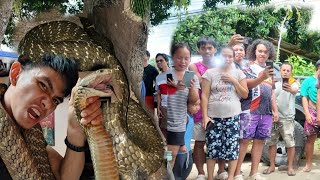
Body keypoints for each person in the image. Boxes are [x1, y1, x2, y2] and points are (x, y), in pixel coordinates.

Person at [0, 53, 102, 179]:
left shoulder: (35, 136)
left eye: (56, 101)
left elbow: (65, 177)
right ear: (16, 74)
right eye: (43, 85)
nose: (48, 104)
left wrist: (75, 132)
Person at [202, 46, 248, 180]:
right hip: (213, 117)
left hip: (232, 117)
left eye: (230, 56)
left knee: (232, 148)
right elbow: (204, 95)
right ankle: (210, 177)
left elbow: (244, 94)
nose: (227, 59)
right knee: (212, 149)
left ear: (233, 58)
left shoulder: (239, 73)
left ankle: (231, 177)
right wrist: (205, 116)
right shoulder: (210, 73)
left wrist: (233, 81)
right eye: (224, 56)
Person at [234, 39, 278, 180]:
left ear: (269, 53)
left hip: (266, 112)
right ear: (254, 51)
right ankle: (236, 172)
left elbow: (271, 92)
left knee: (259, 141)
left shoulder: (269, 70)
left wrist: (275, 110)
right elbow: (246, 85)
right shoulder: (247, 67)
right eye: (260, 51)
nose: (263, 54)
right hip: (249, 110)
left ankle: (254, 173)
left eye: (265, 52)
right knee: (244, 141)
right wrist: (261, 77)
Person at [165, 42, 200, 170]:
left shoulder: (191, 77)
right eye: (179, 57)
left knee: (171, 154)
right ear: (173, 57)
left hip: (178, 123)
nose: (183, 61)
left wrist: (191, 88)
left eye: (186, 58)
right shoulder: (166, 75)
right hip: (164, 123)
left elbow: (193, 103)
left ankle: (168, 175)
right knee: (167, 153)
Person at [188, 36, 218, 180]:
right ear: (199, 50)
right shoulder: (193, 66)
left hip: (218, 110)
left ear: (215, 49)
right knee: (200, 143)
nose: (207, 51)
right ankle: (201, 172)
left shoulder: (220, 65)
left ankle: (221, 170)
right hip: (200, 111)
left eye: (210, 48)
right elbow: (201, 80)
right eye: (203, 48)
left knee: (218, 142)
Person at [264, 62, 299, 176]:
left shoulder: (294, 83)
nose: (285, 72)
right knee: (272, 142)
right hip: (274, 118)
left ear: (291, 72)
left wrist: (290, 89)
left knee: (290, 143)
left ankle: (290, 167)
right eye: (283, 70)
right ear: (280, 71)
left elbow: (294, 89)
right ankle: (272, 166)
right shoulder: (275, 83)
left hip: (287, 119)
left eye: (288, 70)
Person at [173, 99, 200, 180]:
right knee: (177, 170)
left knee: (188, 166)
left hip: (187, 149)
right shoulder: (184, 117)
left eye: (198, 105)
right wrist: (181, 144)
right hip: (180, 150)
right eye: (194, 105)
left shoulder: (190, 116)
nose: (197, 108)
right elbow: (178, 131)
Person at [301, 59, 320, 172]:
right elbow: (304, 97)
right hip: (312, 112)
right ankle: (308, 165)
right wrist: (307, 113)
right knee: (310, 139)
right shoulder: (308, 81)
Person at [155, 53, 171, 138]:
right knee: (163, 131)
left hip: (175, 108)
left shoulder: (174, 72)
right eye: (157, 61)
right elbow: (158, 93)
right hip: (164, 107)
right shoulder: (158, 77)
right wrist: (158, 107)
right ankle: (166, 150)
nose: (159, 63)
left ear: (166, 61)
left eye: (161, 60)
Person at [143, 50, 159, 115]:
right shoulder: (136, 69)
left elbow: (158, 81)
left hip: (149, 94)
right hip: (138, 95)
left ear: (148, 57)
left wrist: (154, 90)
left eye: (144, 54)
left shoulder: (152, 69)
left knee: (149, 114)